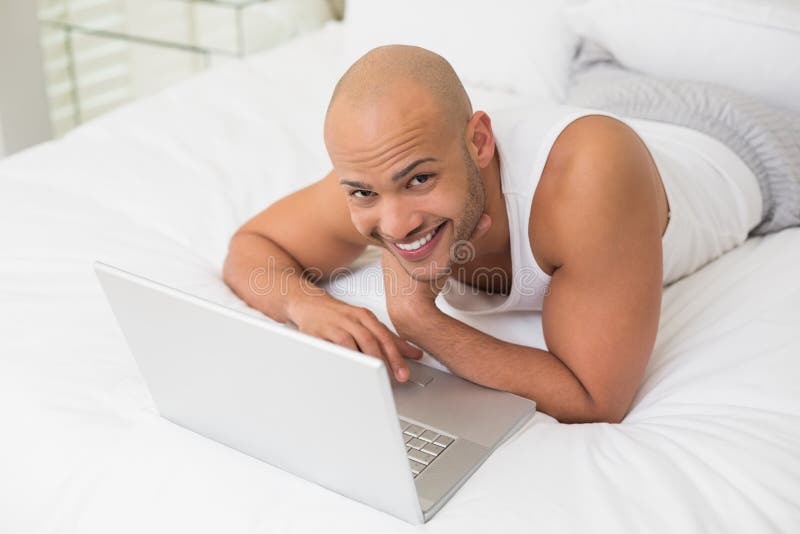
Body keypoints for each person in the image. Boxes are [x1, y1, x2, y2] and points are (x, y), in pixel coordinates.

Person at [222, 45, 761, 423]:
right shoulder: (380, 173)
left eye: (420, 180)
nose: (396, 225)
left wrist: (419, 319)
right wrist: (305, 306)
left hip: (733, 141)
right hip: (608, 101)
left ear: (479, 142)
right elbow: (253, 247)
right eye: (364, 192)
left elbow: (595, 398)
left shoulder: (590, 179)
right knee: (600, 69)